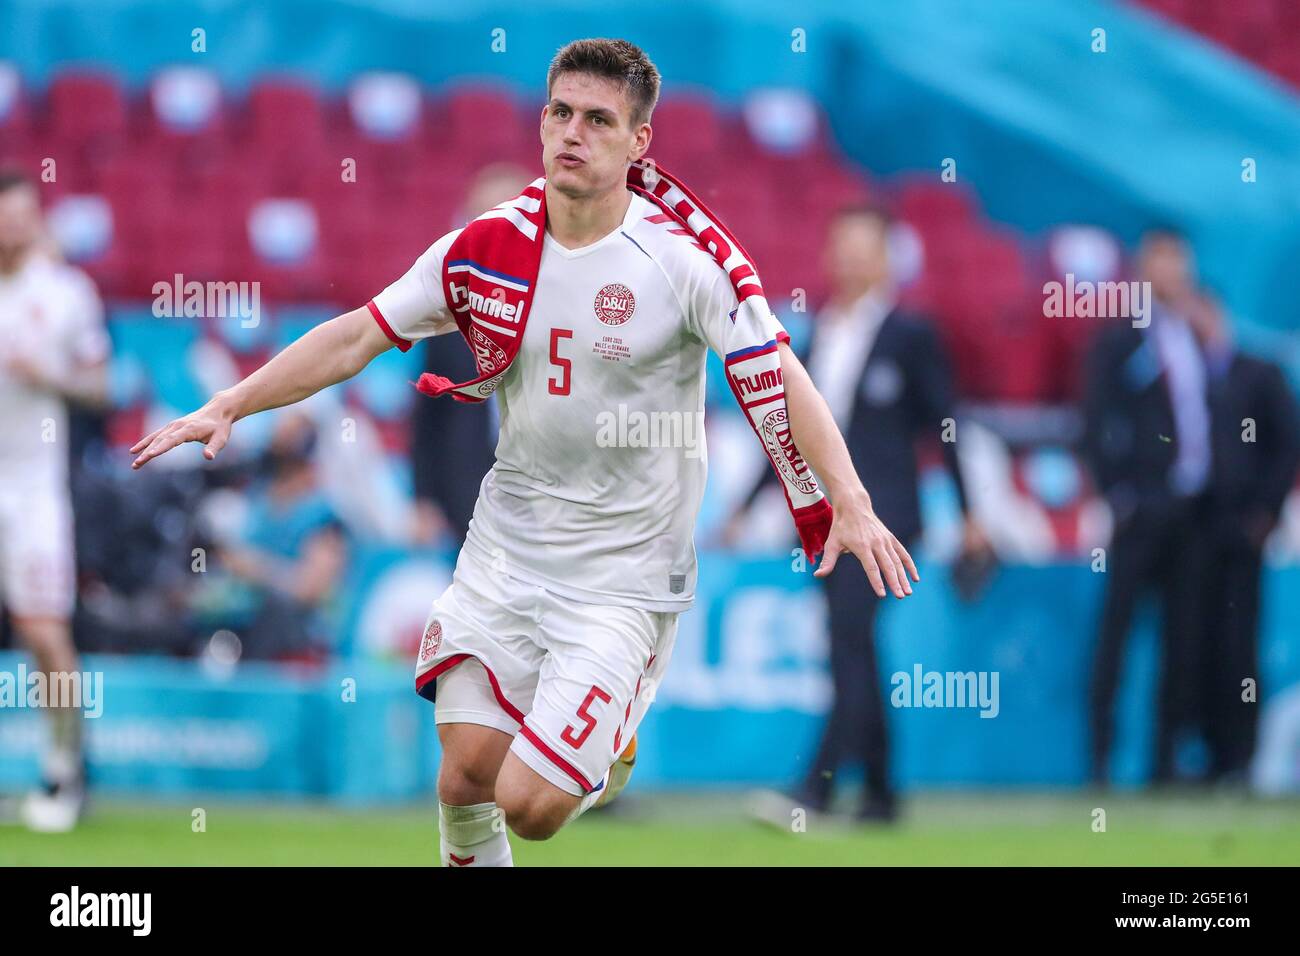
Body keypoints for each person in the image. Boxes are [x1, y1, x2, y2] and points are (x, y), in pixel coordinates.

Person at [130, 38, 918, 866]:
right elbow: (359, 334)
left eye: (600, 120)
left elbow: (780, 375)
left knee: (530, 805)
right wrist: (231, 403)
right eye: (561, 113)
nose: (573, 133)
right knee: (464, 774)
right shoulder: (487, 247)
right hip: (508, 550)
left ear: (638, 143)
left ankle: (607, 749)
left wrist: (851, 502)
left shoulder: (684, 262)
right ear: (542, 121)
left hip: (625, 577)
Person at [733, 203, 988, 822]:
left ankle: (815, 788)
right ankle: (879, 791)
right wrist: (745, 505)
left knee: (849, 640)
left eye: (860, 247)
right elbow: (793, 430)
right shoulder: (819, 330)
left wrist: (971, 511)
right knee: (855, 646)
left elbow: (945, 427)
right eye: (840, 245)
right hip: (823, 519)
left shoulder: (912, 334)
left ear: (886, 259)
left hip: (886, 514)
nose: (847, 258)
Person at [0, 169, 111, 831]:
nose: (13, 226)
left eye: (22, 215)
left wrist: (52, 376)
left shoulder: (66, 293)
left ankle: (65, 771)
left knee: (44, 631)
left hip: (34, 490)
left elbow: (101, 387)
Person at [1082, 226, 1212, 786]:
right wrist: (1121, 493)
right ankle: (1101, 762)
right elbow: (1093, 421)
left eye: (1177, 264)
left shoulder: (1199, 335)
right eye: (1159, 263)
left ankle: (1167, 762)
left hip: (1194, 512)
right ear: (1140, 270)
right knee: (1117, 636)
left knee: (1183, 640)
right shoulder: (1119, 340)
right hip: (1141, 512)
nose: (1169, 275)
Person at [1187, 291, 1299, 784]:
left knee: (1239, 645)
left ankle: (1241, 755)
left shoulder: (1259, 371)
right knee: (1193, 643)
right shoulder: (1182, 373)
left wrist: (1266, 513)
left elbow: (1286, 444)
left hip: (1243, 531)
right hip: (1191, 531)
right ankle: (1202, 753)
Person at [410, 164, 531, 545]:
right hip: (467, 498)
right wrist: (425, 499)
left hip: (547, 498)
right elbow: (428, 415)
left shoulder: (566, 300)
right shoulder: (446, 315)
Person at [208, 412, 348, 660]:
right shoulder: (257, 499)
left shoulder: (322, 514)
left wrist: (254, 568)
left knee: (277, 611)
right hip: (240, 623)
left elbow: (310, 589)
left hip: (293, 637)